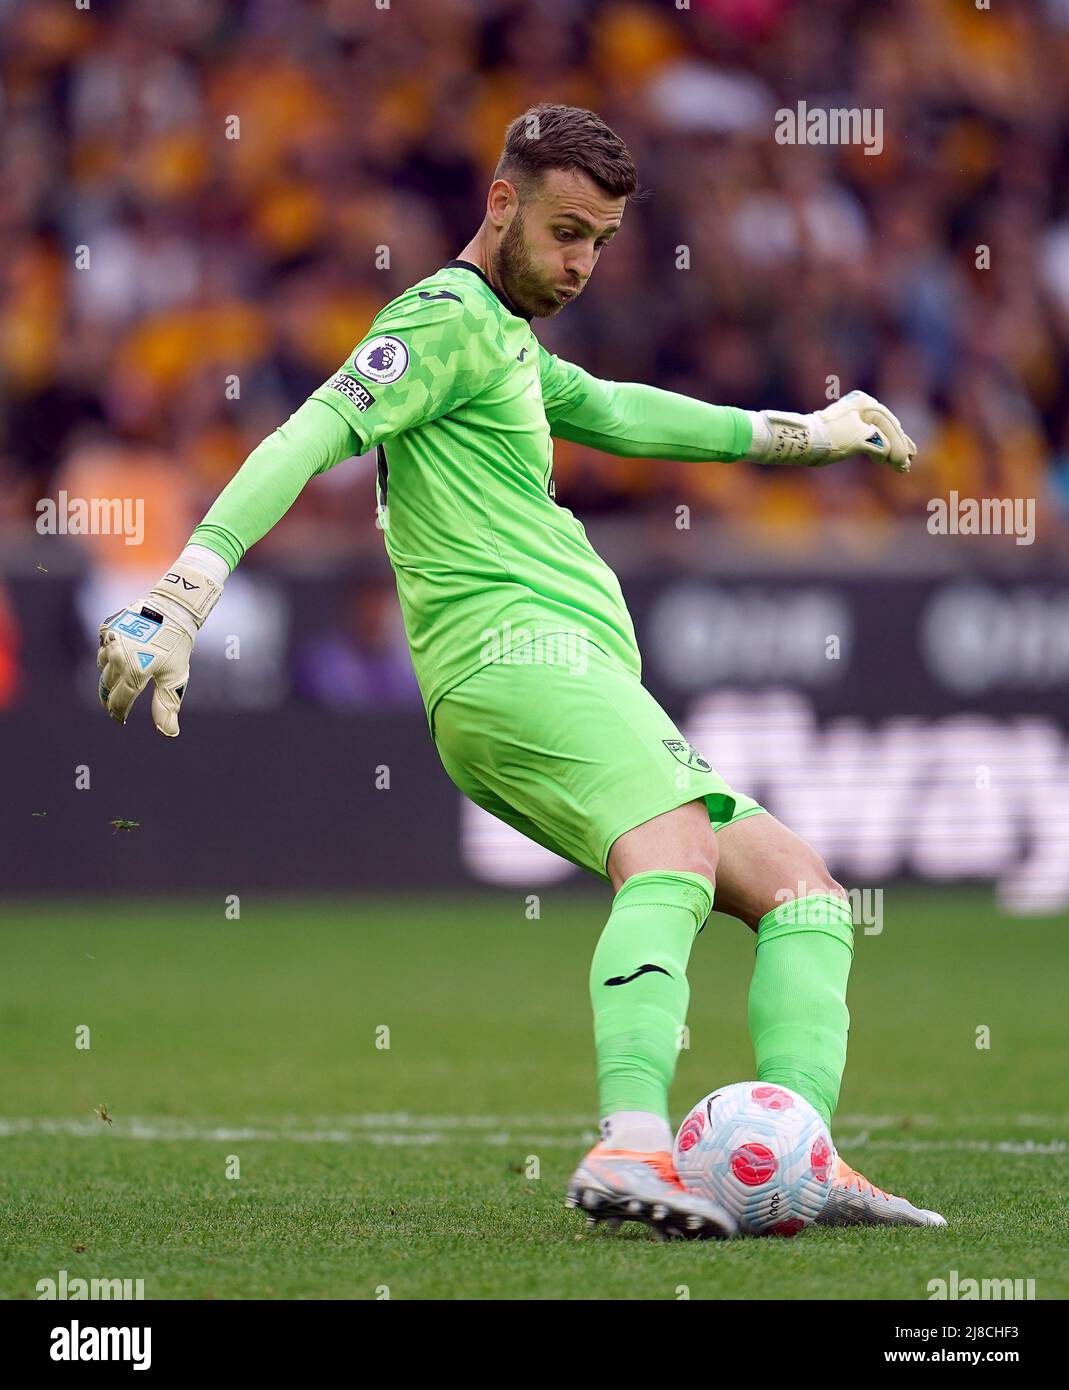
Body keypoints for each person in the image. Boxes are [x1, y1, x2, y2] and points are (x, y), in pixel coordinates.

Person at [97, 103, 944, 1238]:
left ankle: (801, 1150)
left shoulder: (506, 344)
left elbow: (625, 415)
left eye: (598, 240)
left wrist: (810, 431)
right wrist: (185, 590)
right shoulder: (439, 320)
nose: (582, 262)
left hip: (576, 675)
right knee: (675, 853)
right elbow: (307, 432)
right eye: (564, 232)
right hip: (514, 663)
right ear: (499, 202)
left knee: (803, 892)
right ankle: (632, 1140)